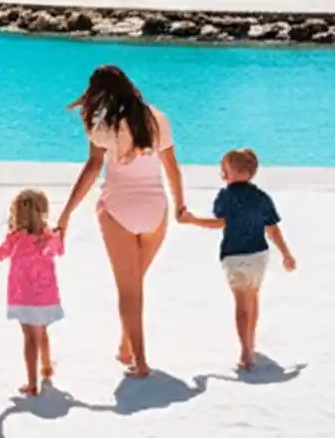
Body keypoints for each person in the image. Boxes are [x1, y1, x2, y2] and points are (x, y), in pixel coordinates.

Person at [56, 65, 185, 378]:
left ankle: (139, 360)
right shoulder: (157, 117)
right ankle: (126, 347)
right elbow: (172, 167)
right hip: (156, 210)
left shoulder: (102, 125)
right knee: (135, 283)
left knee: (128, 291)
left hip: (118, 211)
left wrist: (66, 214)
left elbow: (91, 171)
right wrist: (180, 205)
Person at [179, 149, 297, 371]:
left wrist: (192, 220)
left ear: (231, 172)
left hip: (234, 256)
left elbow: (219, 222)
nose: (222, 172)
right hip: (258, 256)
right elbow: (272, 228)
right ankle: (250, 343)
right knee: (252, 299)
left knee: (241, 305)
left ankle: (245, 352)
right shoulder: (262, 197)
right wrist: (286, 254)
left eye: (224, 168)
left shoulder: (225, 196)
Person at [0, 189, 65, 397]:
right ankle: (46, 366)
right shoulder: (49, 237)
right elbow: (59, 250)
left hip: (22, 297)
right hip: (46, 297)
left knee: (29, 337)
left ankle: (32, 383)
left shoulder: (15, 239)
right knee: (42, 332)